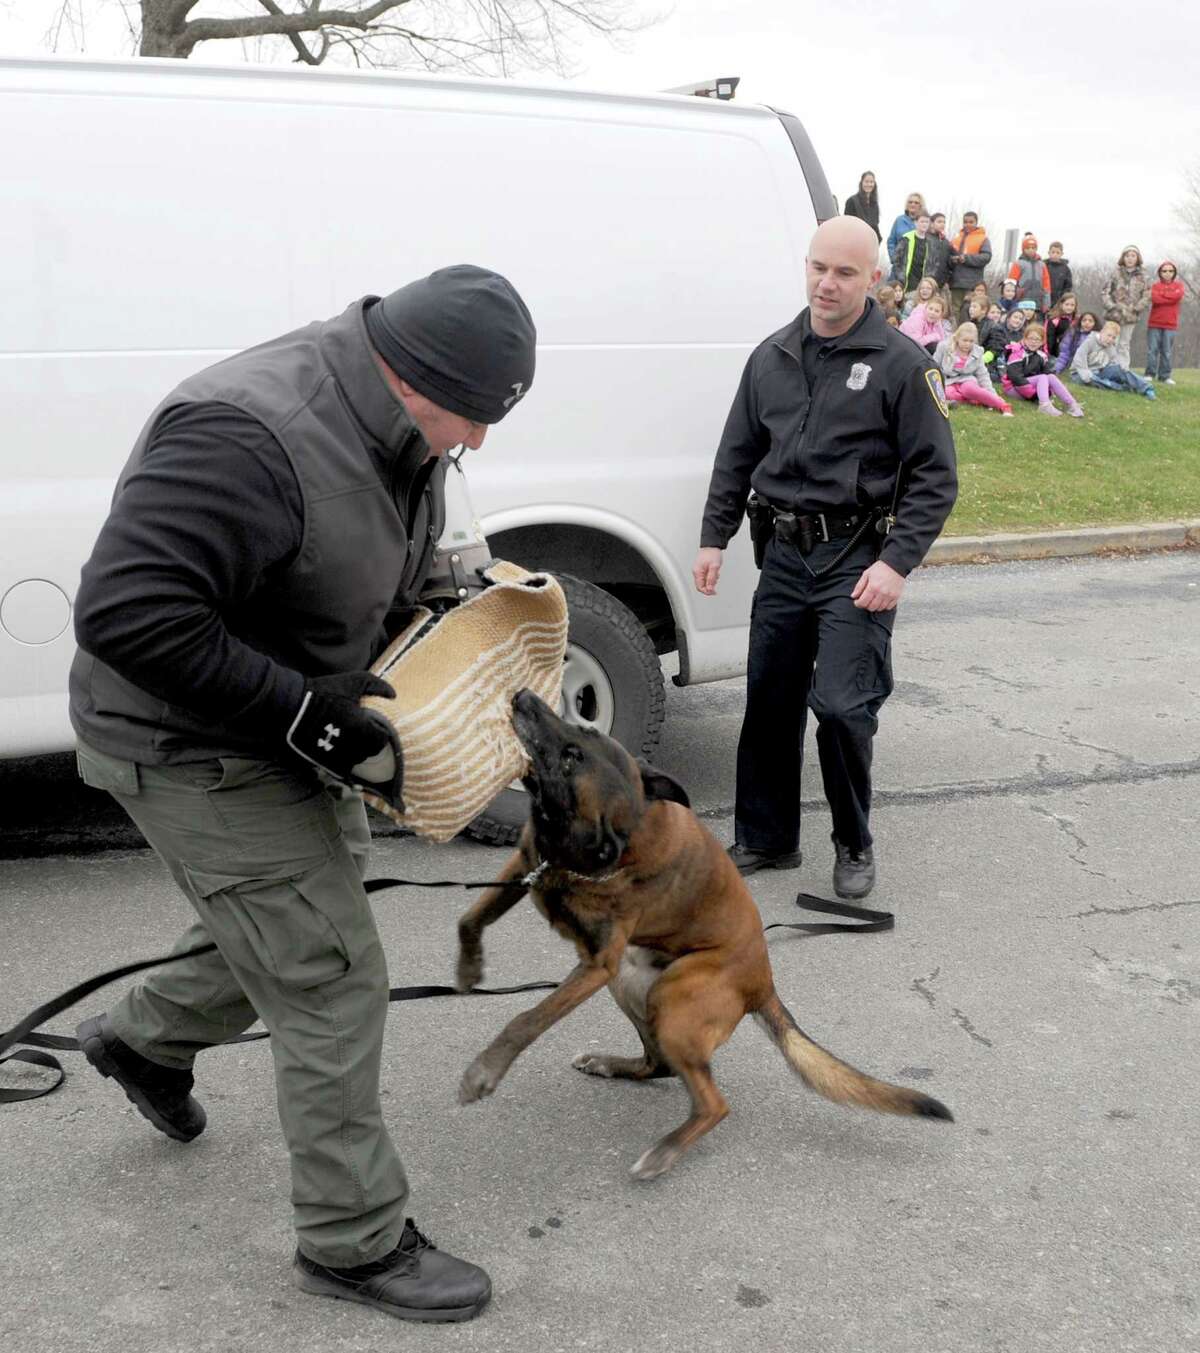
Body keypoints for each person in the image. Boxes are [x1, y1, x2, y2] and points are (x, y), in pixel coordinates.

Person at [68, 265, 537, 1325]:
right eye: (472, 418)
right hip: (184, 743)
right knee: (329, 976)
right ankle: (351, 1239)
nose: (475, 444)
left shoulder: (394, 426)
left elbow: (361, 562)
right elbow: (128, 615)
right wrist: (308, 715)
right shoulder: (245, 433)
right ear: (415, 376)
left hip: (270, 727)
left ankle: (143, 1039)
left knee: (299, 918)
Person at [692, 216, 957, 900]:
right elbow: (737, 455)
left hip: (857, 558)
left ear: (874, 279)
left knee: (842, 707)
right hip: (783, 553)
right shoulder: (773, 355)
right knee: (769, 701)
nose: (827, 283)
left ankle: (853, 840)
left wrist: (896, 562)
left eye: (844, 272)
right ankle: (766, 837)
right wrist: (713, 537)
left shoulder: (903, 365)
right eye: (818, 267)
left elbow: (935, 477)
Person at [1002, 321, 1084, 416]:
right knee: (1043, 377)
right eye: (1031, 339)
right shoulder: (1017, 353)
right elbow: (1015, 377)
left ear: (1042, 342)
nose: (1033, 342)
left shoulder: (1041, 355)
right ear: (1024, 339)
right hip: (1014, 388)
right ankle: (1044, 405)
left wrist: (1049, 389)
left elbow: (1047, 372)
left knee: (1050, 377)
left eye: (1037, 339)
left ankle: (1072, 405)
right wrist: (1033, 395)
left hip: (1030, 386)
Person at [933, 322, 1013, 416]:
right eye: (965, 340)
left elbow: (983, 375)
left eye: (971, 341)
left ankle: (1003, 405)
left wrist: (993, 394)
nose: (968, 344)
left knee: (969, 389)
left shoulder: (978, 352)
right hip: (948, 381)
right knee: (948, 393)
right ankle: (975, 400)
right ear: (957, 338)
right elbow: (933, 365)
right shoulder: (944, 347)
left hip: (967, 380)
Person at [1071, 319, 1156, 397]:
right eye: (1109, 335)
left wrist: (1119, 369)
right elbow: (1079, 359)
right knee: (1093, 381)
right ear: (1101, 332)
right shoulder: (1090, 341)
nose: (1110, 339)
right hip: (1080, 373)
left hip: (1098, 372)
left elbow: (1113, 362)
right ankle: (1120, 388)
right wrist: (1086, 374)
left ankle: (1146, 388)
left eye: (1113, 337)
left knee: (1121, 370)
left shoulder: (1110, 346)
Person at [1102, 245, 1151, 367]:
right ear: (1123, 258)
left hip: (1131, 315)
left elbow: (1147, 295)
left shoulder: (1144, 275)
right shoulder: (1115, 273)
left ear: (1137, 258)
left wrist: (1136, 308)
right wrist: (1111, 306)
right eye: (1127, 255)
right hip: (1114, 314)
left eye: (1133, 256)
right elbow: (1105, 291)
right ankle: (1107, 366)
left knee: (1124, 343)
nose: (1130, 258)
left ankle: (1123, 369)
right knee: (1110, 341)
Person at [1146, 260, 1184, 384]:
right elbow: (1155, 299)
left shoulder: (1179, 286)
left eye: (1170, 271)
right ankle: (1150, 373)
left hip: (1170, 324)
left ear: (1174, 273)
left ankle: (1165, 376)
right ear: (1160, 273)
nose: (1167, 273)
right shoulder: (1155, 286)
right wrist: (1169, 296)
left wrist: (1164, 296)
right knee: (1152, 350)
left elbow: (1177, 297)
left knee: (1166, 351)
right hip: (1154, 323)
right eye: (1164, 271)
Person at [948, 211, 993, 317]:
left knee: (971, 310)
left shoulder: (983, 238)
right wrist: (952, 260)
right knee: (955, 310)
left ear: (976, 222)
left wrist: (966, 258)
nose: (968, 224)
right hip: (956, 282)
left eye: (971, 222)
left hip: (973, 284)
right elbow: (948, 256)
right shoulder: (956, 238)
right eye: (965, 222)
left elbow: (986, 257)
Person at [1006, 234, 1052, 318]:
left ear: (1036, 249)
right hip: (1021, 303)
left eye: (1033, 248)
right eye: (1028, 248)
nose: (1031, 250)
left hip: (1037, 303)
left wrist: (1046, 304)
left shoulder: (1042, 265)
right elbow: (1011, 284)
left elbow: (1046, 287)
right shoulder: (1018, 264)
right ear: (1023, 249)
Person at [893, 212, 934, 298]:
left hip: (922, 284)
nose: (924, 224)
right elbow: (896, 259)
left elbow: (933, 263)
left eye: (927, 222)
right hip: (906, 281)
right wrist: (900, 277)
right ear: (916, 222)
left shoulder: (931, 242)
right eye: (922, 221)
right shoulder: (906, 238)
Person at [886, 192, 928, 272]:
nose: (913, 204)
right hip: (899, 266)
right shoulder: (899, 220)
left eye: (916, 203)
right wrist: (894, 258)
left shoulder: (925, 222)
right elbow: (891, 241)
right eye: (910, 202)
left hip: (917, 268)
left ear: (921, 205)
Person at [1053, 309, 1098, 375]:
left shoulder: (1098, 336)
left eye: (1090, 321)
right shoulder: (1073, 333)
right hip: (1074, 364)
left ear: (1095, 323)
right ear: (1080, 322)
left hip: (1092, 365)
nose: (1087, 323)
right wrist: (1057, 369)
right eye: (1084, 320)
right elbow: (1064, 353)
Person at [843, 170, 881, 240]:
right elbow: (847, 225)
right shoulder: (851, 201)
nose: (869, 184)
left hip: (870, 242)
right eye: (866, 181)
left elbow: (875, 226)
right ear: (861, 183)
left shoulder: (875, 204)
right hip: (855, 241)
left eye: (871, 182)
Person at [1045, 291, 1080, 362]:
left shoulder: (1077, 320)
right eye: (1067, 304)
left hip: (1074, 353)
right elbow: (1049, 338)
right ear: (1061, 304)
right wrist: (1049, 353)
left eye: (1072, 305)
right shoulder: (1054, 320)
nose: (1069, 307)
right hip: (1057, 354)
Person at [1045, 242, 1073, 309]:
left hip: (1059, 302)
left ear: (1061, 254)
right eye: (1053, 252)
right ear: (1049, 253)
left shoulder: (1065, 269)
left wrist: (1062, 299)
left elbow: (1068, 286)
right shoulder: (1044, 266)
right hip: (1045, 300)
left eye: (1058, 253)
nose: (1055, 255)